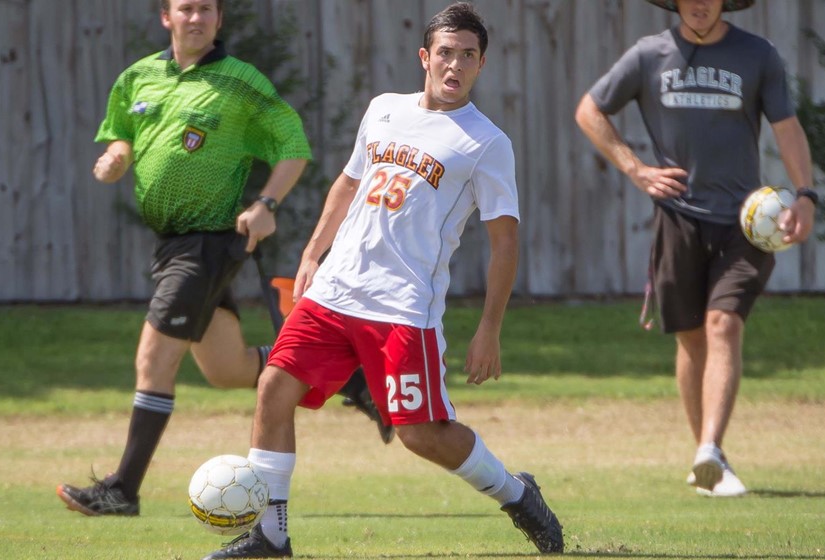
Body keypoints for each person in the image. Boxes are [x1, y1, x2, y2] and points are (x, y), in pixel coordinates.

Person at [200, 3, 564, 558]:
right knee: (274, 387)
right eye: (445, 52)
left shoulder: (486, 143)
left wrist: (489, 328)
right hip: (334, 292)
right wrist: (313, 253)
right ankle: (270, 535)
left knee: (420, 434)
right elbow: (348, 185)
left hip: (402, 309)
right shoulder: (383, 109)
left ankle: (516, 494)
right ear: (425, 56)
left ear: (481, 64)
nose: (455, 65)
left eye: (468, 55)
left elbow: (505, 242)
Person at [56, 0, 389, 518]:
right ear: (166, 17)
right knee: (226, 369)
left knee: (152, 361)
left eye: (206, 9)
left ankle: (123, 489)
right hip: (171, 246)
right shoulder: (137, 78)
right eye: (186, 8)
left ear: (219, 19)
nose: (196, 18)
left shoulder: (241, 82)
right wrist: (117, 154)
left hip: (207, 245)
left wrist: (266, 204)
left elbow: (293, 146)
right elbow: (120, 129)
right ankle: (352, 378)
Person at [575, 0, 817, 497]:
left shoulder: (758, 55)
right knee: (690, 338)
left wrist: (807, 195)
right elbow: (589, 110)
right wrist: (635, 169)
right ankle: (707, 460)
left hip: (745, 224)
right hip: (677, 219)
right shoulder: (648, 55)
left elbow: (787, 128)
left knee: (723, 324)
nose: (700, 3)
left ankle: (710, 450)